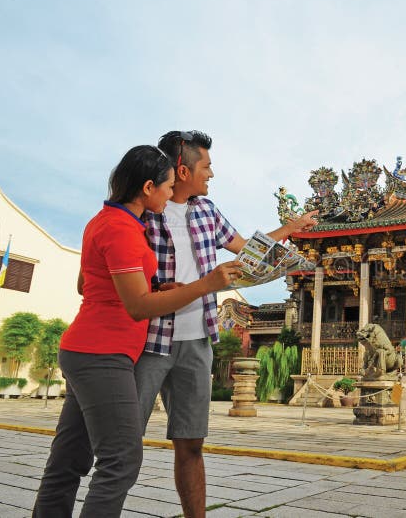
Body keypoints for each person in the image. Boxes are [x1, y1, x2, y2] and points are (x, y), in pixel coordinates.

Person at [33, 146, 243, 518]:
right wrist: (205, 285)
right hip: (103, 354)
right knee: (121, 460)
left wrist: (153, 285)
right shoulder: (123, 230)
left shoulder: (112, 221)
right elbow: (138, 307)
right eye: (165, 187)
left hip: (89, 348)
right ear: (148, 187)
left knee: (70, 459)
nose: (169, 194)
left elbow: (89, 283)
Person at [135, 130, 317, 517]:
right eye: (206, 166)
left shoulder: (207, 210)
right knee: (124, 439)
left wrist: (289, 230)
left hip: (198, 337)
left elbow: (245, 249)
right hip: (148, 338)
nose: (211, 174)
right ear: (182, 170)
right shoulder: (145, 209)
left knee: (191, 443)